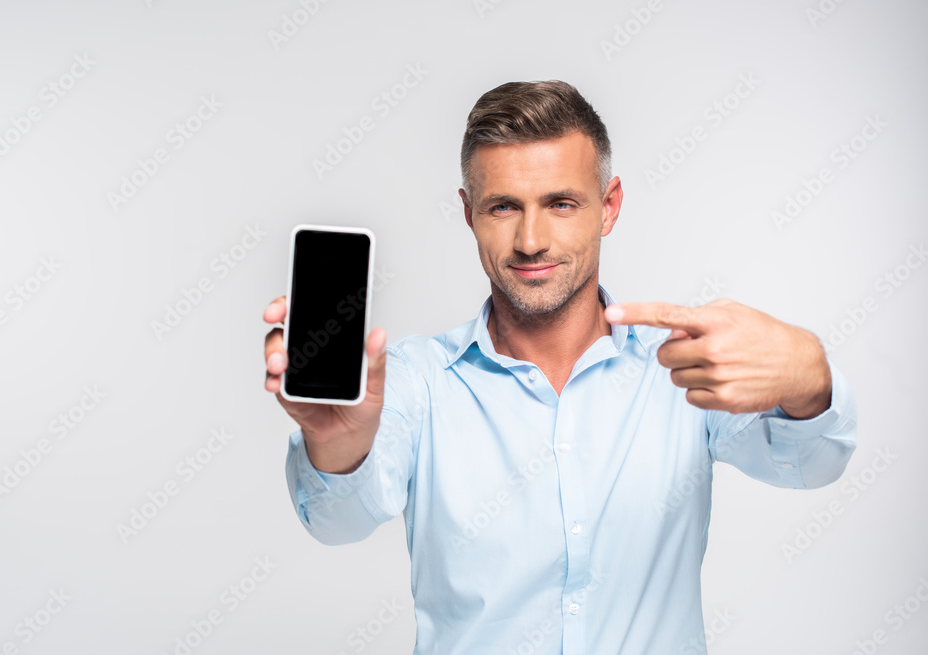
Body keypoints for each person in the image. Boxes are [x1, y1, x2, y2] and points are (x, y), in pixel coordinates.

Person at [263, 80, 858, 654]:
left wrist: (808, 374)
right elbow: (336, 523)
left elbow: (813, 464)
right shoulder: (414, 379)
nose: (530, 239)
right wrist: (334, 443)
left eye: (561, 203)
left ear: (609, 206)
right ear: (469, 214)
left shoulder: (677, 363)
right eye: (503, 207)